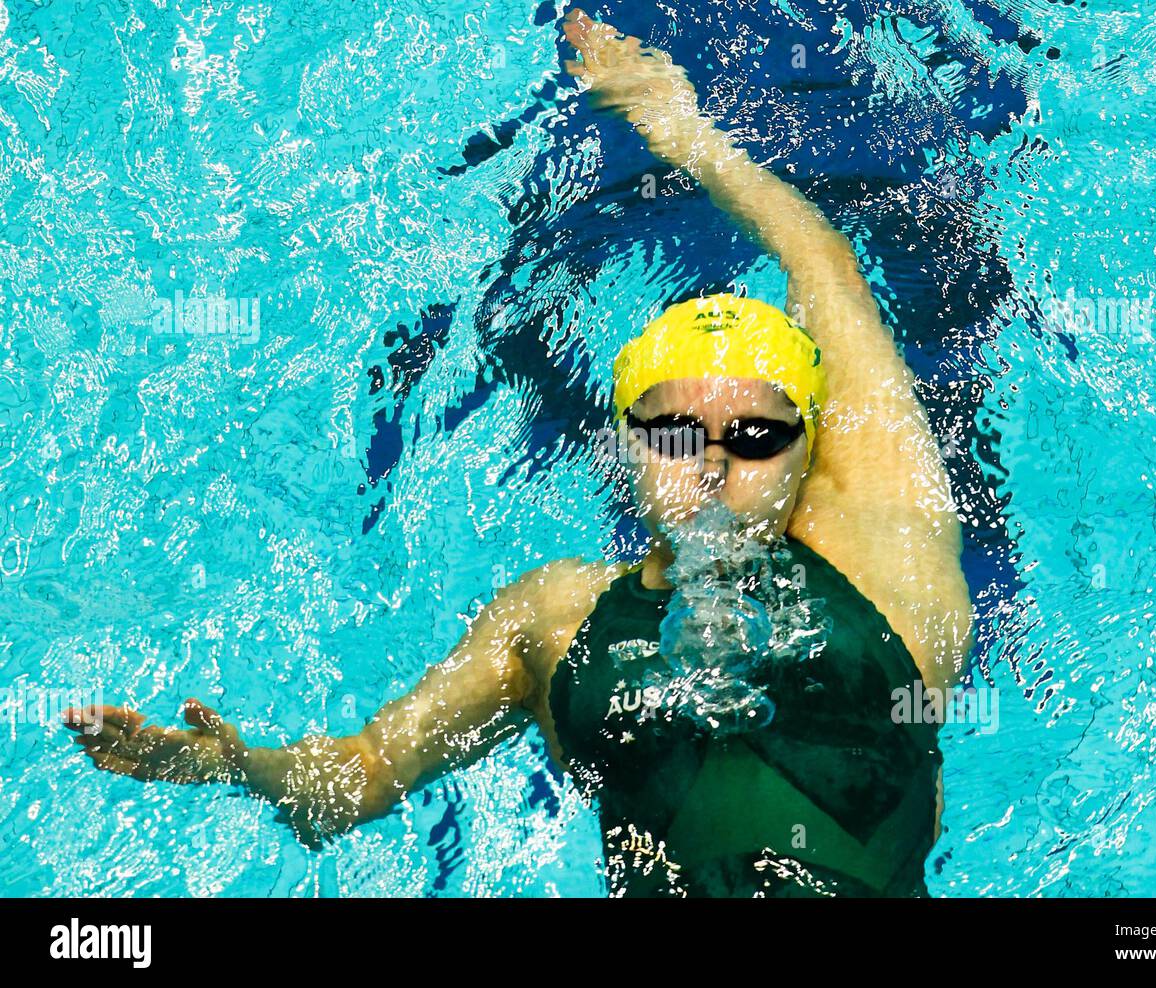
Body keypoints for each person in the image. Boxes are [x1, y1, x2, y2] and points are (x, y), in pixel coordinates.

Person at [63, 8, 973, 897]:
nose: (713, 465)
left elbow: (824, 265)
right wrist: (235, 767)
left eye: (758, 436)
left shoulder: (889, 560)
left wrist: (687, 132)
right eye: (673, 435)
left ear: (810, 452)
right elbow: (367, 773)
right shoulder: (555, 623)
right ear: (623, 450)